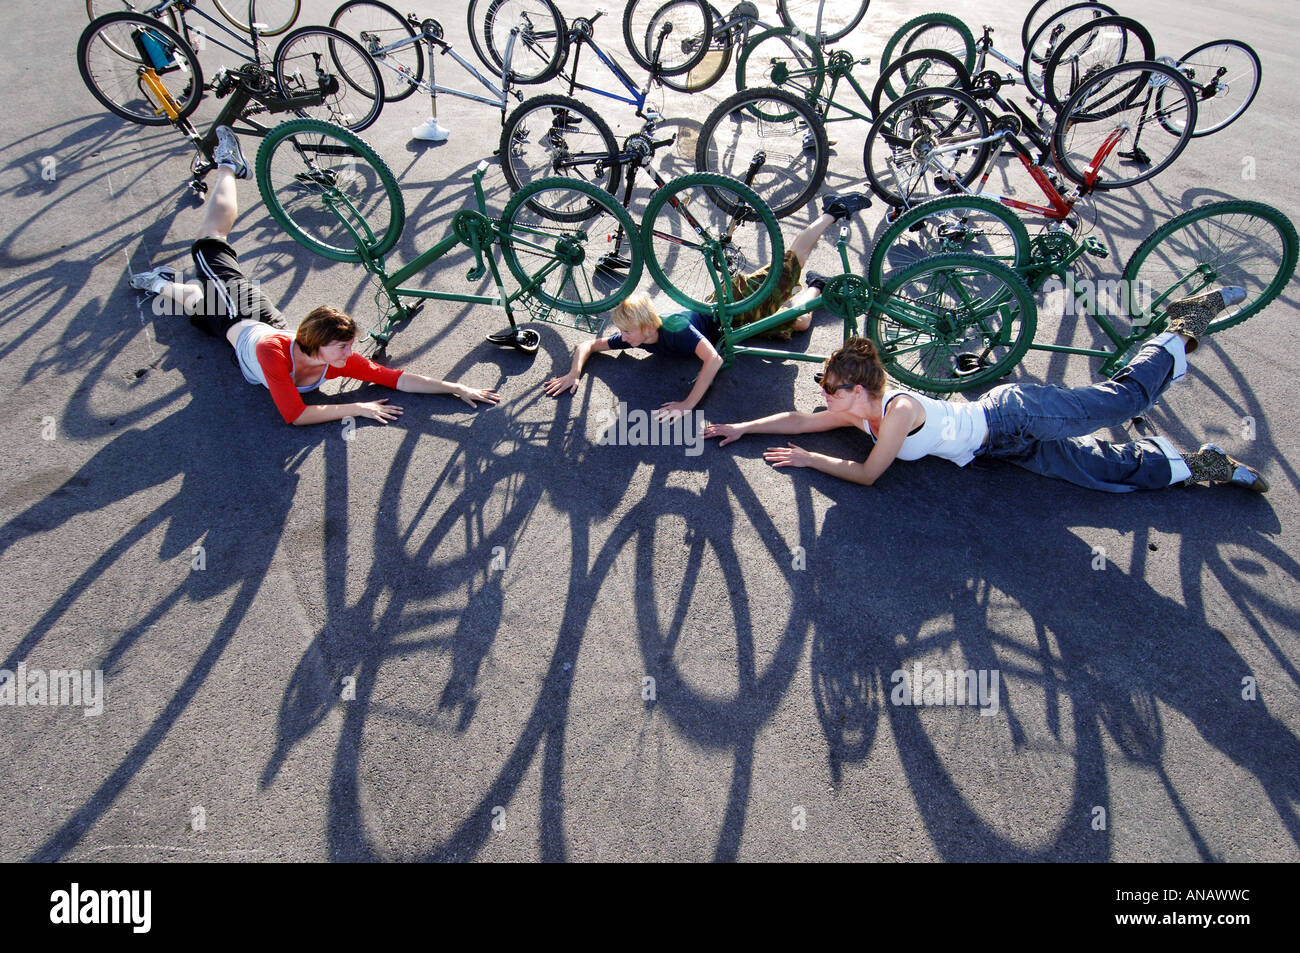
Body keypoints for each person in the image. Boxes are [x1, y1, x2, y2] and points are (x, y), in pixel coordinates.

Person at [704, 288, 1269, 493]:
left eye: (831, 389)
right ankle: (1197, 468)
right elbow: (799, 419)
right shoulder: (860, 415)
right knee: (1095, 471)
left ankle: (1177, 331)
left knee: (1117, 402)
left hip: (1013, 414)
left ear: (860, 388)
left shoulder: (895, 413)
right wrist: (742, 427)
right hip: (996, 447)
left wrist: (810, 462)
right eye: (824, 389)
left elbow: (868, 475)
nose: (824, 397)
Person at [129, 127, 499, 426]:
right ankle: (227, 166)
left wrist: (456, 387)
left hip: (254, 324)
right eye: (342, 347)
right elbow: (295, 415)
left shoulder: (332, 356)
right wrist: (356, 408)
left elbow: (395, 378)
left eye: (348, 346)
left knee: (198, 309)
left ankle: (159, 282)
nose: (350, 353)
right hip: (240, 316)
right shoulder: (272, 353)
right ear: (314, 344)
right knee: (211, 243)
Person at [541, 192, 872, 418]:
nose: (622, 338)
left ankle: (832, 210)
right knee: (799, 324)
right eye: (623, 333)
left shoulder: (676, 329)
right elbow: (589, 344)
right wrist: (573, 373)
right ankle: (815, 285)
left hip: (736, 304)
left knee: (788, 264)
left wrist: (687, 404)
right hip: (732, 323)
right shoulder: (640, 334)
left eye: (626, 332)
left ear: (645, 326)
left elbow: (712, 362)